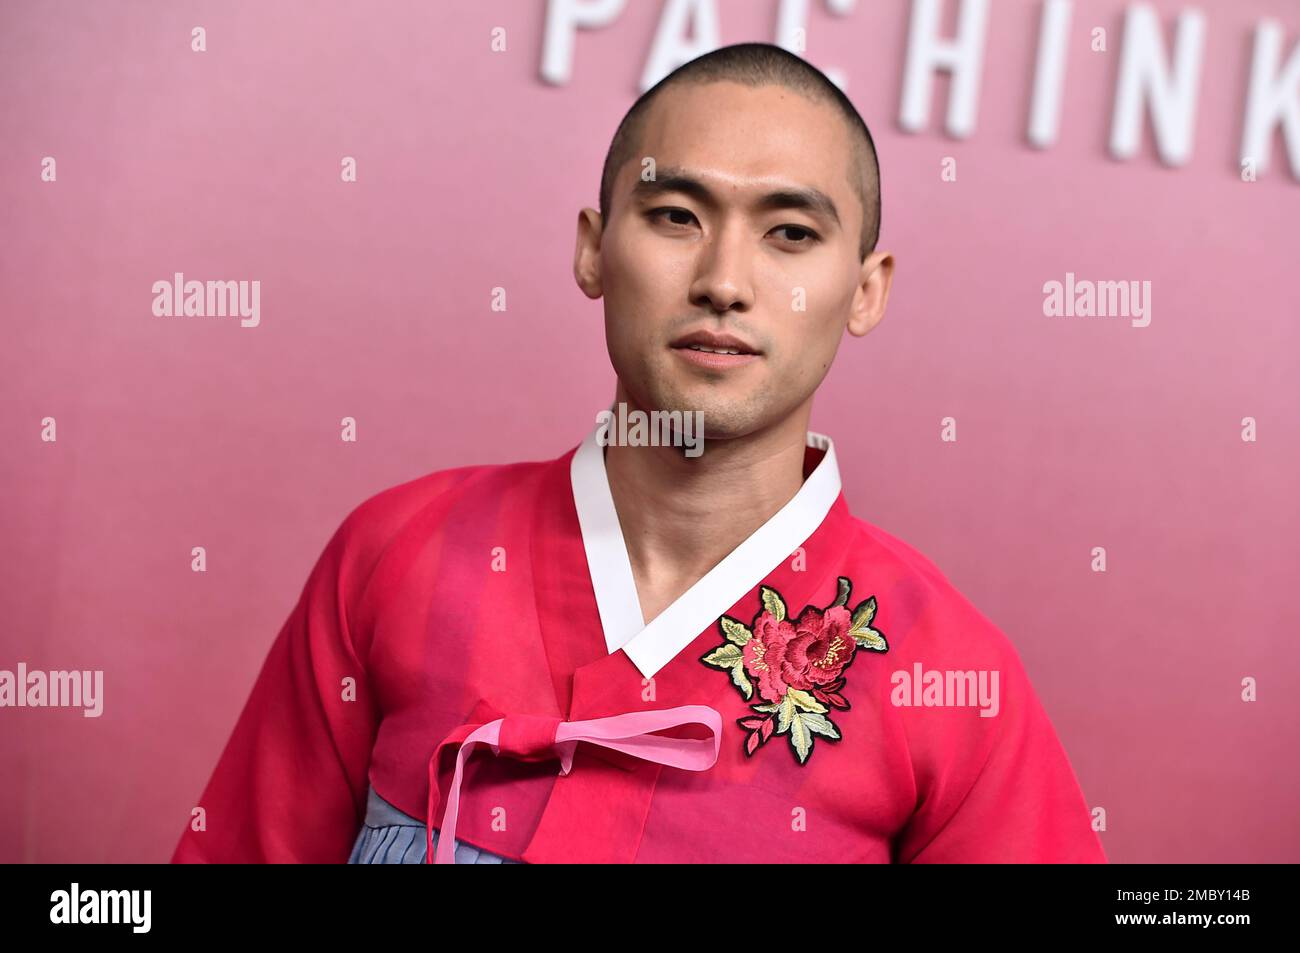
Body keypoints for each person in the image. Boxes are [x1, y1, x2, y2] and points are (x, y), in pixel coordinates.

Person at [172, 42, 1106, 864]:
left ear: (866, 290)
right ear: (592, 250)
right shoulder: (397, 555)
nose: (725, 282)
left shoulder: (949, 676)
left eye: (790, 234)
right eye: (675, 216)